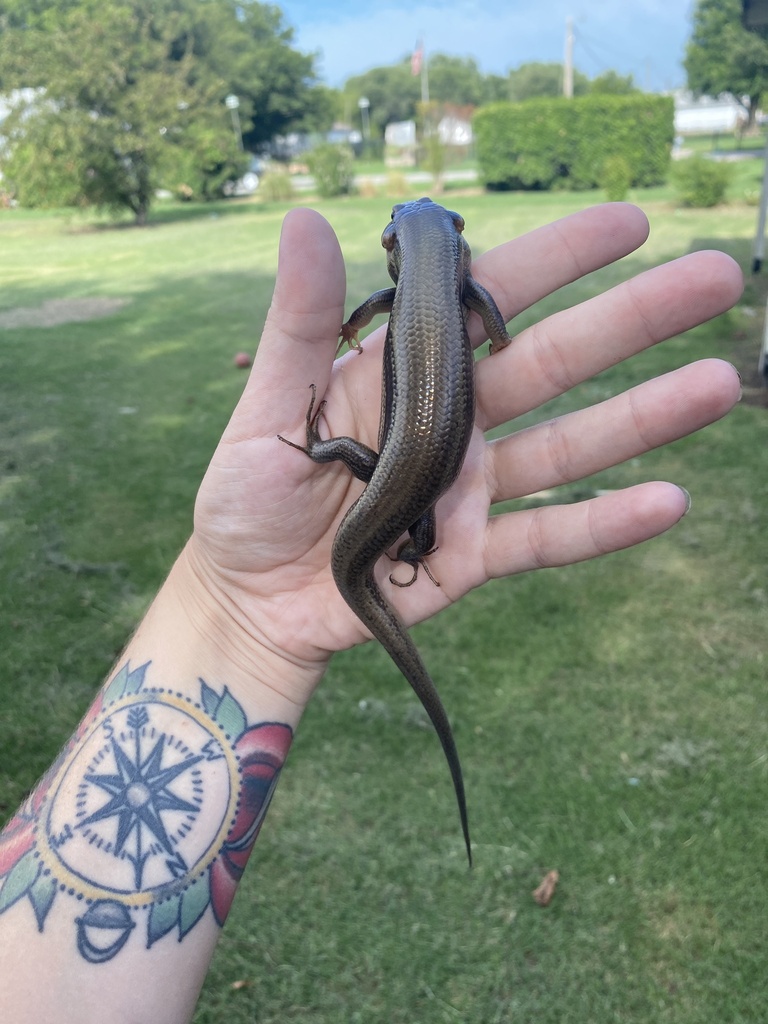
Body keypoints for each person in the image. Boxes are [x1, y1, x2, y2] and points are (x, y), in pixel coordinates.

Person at [0, 202, 742, 1023]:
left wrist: (333, 417)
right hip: (411, 482)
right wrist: (494, 342)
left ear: (396, 255)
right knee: (400, 507)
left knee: (376, 480)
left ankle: (373, 505)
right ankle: (406, 538)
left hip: (389, 470)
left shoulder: (397, 299)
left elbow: (368, 321)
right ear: (452, 253)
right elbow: (490, 316)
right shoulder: (467, 293)